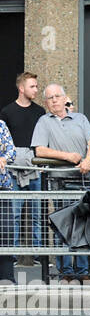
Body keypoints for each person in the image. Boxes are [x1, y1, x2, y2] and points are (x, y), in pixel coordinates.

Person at [33, 83, 90, 282]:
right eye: (50, 98)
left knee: (83, 225)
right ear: (46, 102)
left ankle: (83, 271)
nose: (54, 100)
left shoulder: (80, 118)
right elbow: (40, 151)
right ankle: (66, 272)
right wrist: (68, 156)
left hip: (83, 179)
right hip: (59, 181)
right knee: (63, 225)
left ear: (64, 98)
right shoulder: (44, 121)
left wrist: (89, 159)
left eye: (57, 96)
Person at [1, 72, 44, 268]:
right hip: (12, 167)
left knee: (36, 213)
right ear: (22, 88)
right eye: (32, 86)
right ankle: (13, 256)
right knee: (14, 213)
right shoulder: (7, 112)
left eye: (36, 86)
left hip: (34, 165)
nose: (36, 90)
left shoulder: (40, 112)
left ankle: (38, 255)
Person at [0, 117, 15, 282]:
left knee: (5, 233)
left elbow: (11, 150)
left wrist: (4, 158)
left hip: (3, 188)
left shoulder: (1, 125)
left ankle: (7, 277)